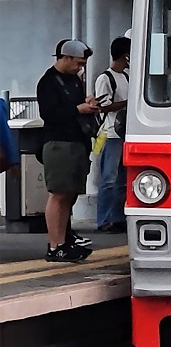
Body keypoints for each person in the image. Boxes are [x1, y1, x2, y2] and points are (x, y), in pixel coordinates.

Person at [36, 39, 99, 262]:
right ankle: (54, 245)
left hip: (77, 141)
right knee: (58, 194)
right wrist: (77, 108)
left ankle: (64, 240)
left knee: (69, 194)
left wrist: (87, 104)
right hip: (58, 142)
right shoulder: (48, 82)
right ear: (65, 57)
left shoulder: (74, 80)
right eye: (78, 63)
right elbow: (49, 114)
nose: (80, 67)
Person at [93, 36, 130, 233]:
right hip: (111, 134)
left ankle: (118, 218)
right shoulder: (104, 78)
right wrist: (128, 103)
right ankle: (104, 219)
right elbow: (102, 106)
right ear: (125, 55)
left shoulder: (126, 76)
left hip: (124, 134)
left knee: (122, 180)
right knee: (108, 179)